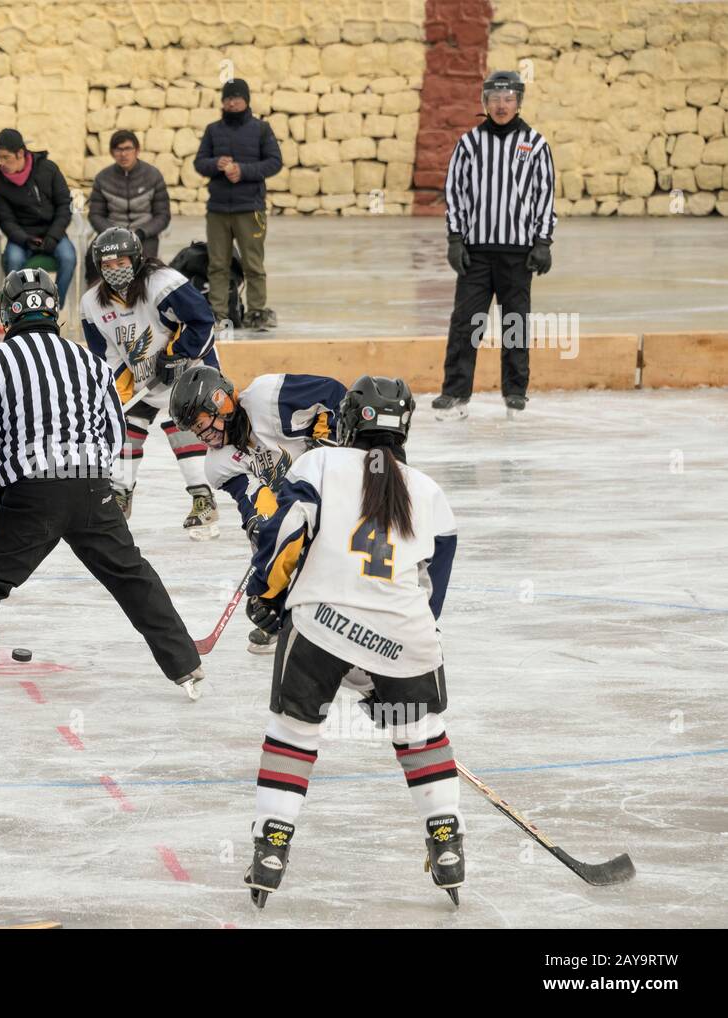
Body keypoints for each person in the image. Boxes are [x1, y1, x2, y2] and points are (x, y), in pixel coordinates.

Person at [0, 268, 205, 708]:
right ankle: (185, 665)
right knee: (132, 577)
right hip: (90, 487)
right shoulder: (90, 362)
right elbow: (115, 430)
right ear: (54, 310)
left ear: (8, 312)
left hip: (31, 492)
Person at [241, 376, 463, 910]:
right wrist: (383, 667)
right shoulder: (431, 493)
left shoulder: (318, 465)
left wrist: (267, 600)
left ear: (347, 422)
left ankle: (272, 847)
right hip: (405, 638)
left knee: (293, 733)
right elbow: (429, 596)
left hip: (320, 625)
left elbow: (286, 532)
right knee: (421, 734)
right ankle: (447, 841)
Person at [169, 365, 346, 652]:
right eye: (194, 431)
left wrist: (326, 445)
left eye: (201, 424)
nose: (202, 437)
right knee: (268, 535)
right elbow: (254, 500)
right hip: (305, 501)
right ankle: (281, 609)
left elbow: (334, 394)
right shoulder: (218, 464)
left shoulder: (267, 398)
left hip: (342, 477)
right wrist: (263, 533)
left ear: (221, 403)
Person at [81, 226, 222, 539]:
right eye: (108, 265)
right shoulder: (92, 303)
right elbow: (107, 355)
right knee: (123, 429)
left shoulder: (164, 283)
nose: (115, 271)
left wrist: (176, 354)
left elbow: (201, 321)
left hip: (190, 369)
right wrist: (119, 391)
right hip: (142, 374)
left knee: (183, 430)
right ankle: (119, 496)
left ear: (136, 259)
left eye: (121, 263)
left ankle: (203, 499)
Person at [435, 70, 556, 421]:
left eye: (508, 99)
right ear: (484, 102)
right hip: (477, 251)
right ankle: (455, 392)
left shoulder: (535, 143)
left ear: (518, 101)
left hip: (518, 252)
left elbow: (544, 195)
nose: (501, 105)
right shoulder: (469, 143)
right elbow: (455, 192)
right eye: (495, 99)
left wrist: (543, 240)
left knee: (515, 322)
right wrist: (455, 237)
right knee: (466, 323)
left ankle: (515, 393)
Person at [192, 78, 282, 331]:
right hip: (218, 209)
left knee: (253, 264)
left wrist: (243, 171)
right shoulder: (213, 130)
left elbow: (274, 162)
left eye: (236, 98)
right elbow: (200, 163)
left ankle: (256, 311)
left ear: (246, 100)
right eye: (228, 98)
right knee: (217, 264)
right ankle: (218, 314)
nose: (232, 102)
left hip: (250, 208)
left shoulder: (261, 129)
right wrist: (216, 164)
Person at [0, 129, 77, 307]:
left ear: (20, 153)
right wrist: (25, 239)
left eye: (6, 157)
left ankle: (53, 306)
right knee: (13, 261)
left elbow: (64, 205)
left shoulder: (48, 169)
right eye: (0, 158)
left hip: (53, 233)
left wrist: (53, 236)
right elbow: (6, 220)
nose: (2, 163)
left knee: (69, 258)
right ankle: (20, 309)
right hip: (21, 237)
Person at [88, 130, 171, 259]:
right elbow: (95, 214)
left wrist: (142, 232)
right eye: (118, 149)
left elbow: (163, 215)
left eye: (128, 149)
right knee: (93, 260)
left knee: (143, 266)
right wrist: (114, 233)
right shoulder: (102, 178)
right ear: (111, 153)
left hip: (144, 235)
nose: (123, 154)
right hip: (112, 235)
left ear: (137, 151)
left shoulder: (153, 176)